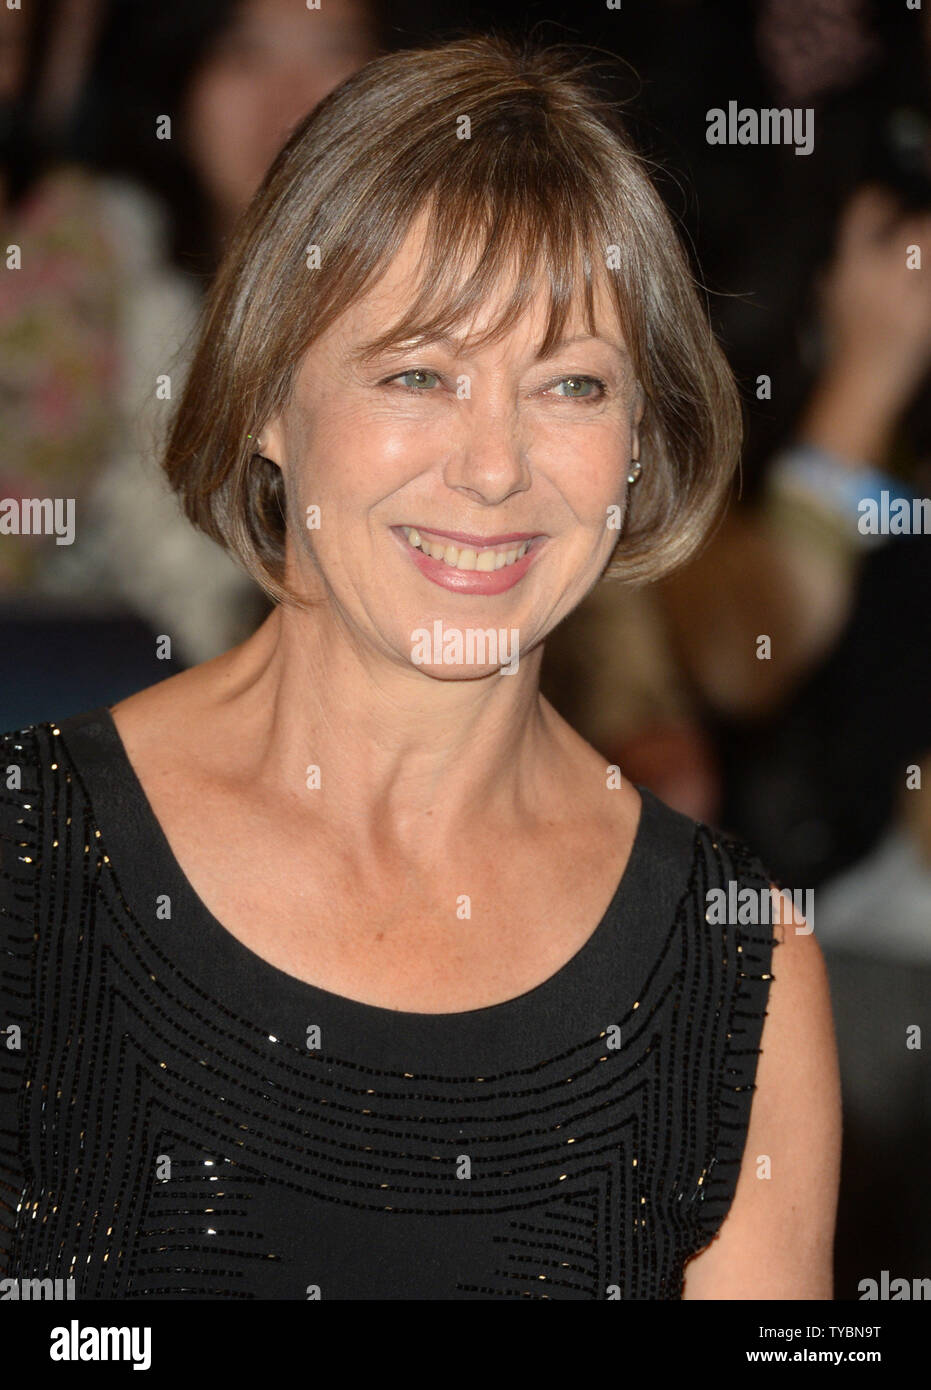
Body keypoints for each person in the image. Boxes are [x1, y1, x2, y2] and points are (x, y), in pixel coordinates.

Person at [0, 34, 841, 1300]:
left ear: (634, 440)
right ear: (268, 394)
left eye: (569, 383)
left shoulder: (739, 970)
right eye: (417, 372)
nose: (494, 466)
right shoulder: (29, 866)